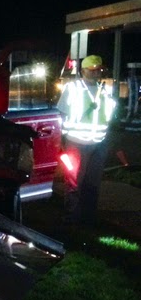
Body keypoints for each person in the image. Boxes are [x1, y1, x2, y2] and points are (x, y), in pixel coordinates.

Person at [57, 54, 116, 224]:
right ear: (83, 71)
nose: (96, 72)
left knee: (93, 182)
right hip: (76, 143)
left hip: (98, 143)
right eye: (92, 70)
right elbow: (62, 114)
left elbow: (109, 116)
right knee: (74, 181)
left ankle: (89, 217)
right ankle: (72, 216)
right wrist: (62, 139)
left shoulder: (104, 90)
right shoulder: (73, 88)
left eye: (99, 70)